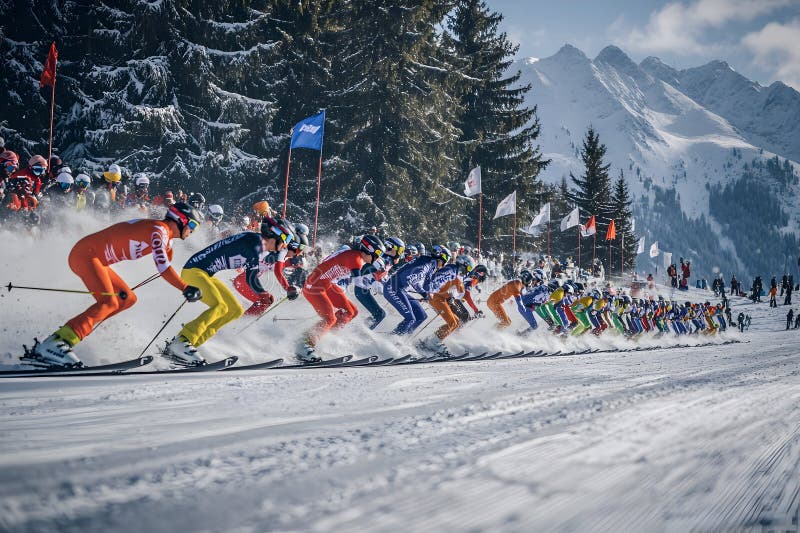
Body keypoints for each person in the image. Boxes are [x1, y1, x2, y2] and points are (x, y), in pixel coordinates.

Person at [29, 203, 203, 367]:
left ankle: (76, 333)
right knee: (109, 302)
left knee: (127, 299)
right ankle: (58, 342)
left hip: (96, 259)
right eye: (192, 225)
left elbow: (165, 262)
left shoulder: (165, 237)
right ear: (181, 219)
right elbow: (163, 267)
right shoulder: (159, 230)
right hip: (85, 254)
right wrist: (185, 287)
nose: (192, 231)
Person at [165, 216, 295, 365]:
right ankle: (182, 341)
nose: (286, 245)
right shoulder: (255, 244)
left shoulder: (257, 243)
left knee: (234, 310)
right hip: (194, 271)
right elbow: (251, 278)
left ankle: (191, 345)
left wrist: (263, 292)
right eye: (286, 238)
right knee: (219, 306)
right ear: (275, 233)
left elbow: (255, 272)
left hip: (205, 273)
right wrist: (262, 293)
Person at [301, 235, 385, 362]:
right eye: (378, 253)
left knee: (352, 311)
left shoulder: (357, 257)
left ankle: (324, 337)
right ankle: (305, 344)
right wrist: (376, 286)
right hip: (314, 286)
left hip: (326, 285)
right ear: (369, 249)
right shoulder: (355, 258)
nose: (378, 258)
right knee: (330, 318)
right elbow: (358, 283)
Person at [232, 221, 306, 317]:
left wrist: (296, 287)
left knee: (265, 301)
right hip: (243, 281)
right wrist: (288, 288)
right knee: (265, 301)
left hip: (244, 281)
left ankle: (243, 319)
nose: (297, 253)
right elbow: (278, 272)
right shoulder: (281, 252)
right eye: (298, 249)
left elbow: (289, 271)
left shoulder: (284, 256)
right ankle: (242, 321)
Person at [415, 253, 475, 355]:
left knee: (456, 322)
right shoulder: (451, 271)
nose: (468, 271)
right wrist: (447, 296)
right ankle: (433, 344)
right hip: (436, 298)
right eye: (469, 268)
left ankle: (430, 341)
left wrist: (450, 297)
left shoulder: (453, 271)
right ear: (463, 264)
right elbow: (437, 285)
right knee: (452, 322)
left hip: (440, 298)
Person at [383, 244, 449, 336]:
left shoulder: (429, 262)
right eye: (446, 260)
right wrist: (424, 294)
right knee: (410, 319)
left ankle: (404, 337)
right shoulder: (426, 264)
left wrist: (428, 295)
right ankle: (391, 338)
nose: (444, 265)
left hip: (400, 289)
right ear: (441, 259)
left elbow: (423, 283)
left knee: (421, 316)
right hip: (392, 288)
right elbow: (414, 280)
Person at [354, 236, 404, 330]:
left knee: (380, 314)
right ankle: (360, 330)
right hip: (361, 290)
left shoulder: (388, 261)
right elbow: (366, 270)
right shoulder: (383, 260)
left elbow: (382, 279)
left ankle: (360, 329)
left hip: (364, 289)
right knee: (380, 314)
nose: (400, 254)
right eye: (400, 250)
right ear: (391, 247)